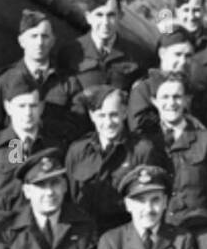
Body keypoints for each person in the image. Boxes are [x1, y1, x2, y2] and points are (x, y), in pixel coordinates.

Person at [0, 74, 71, 235]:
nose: (28, 113)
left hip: (43, 231)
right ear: (8, 107)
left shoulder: (54, 147)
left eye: (33, 106)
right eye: (21, 106)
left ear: (41, 107)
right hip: (4, 232)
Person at [64, 85, 166, 234]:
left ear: (124, 113)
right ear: (92, 116)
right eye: (101, 115)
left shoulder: (141, 149)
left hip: (125, 235)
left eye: (113, 115)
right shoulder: (78, 151)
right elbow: (70, 197)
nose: (108, 122)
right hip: (85, 234)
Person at [0, 9, 85, 143]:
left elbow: (79, 126)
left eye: (45, 36)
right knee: (16, 159)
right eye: (34, 36)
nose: (40, 42)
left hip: (52, 154)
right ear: (21, 41)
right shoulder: (3, 81)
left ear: (53, 41)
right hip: (15, 148)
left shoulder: (68, 82)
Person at [147, 72, 207, 233]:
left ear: (187, 99)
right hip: (160, 231)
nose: (171, 103)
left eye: (177, 97)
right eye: (165, 97)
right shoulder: (146, 143)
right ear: (154, 101)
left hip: (200, 229)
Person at [58, 0, 145, 94]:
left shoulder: (136, 54)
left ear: (120, 16)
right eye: (99, 15)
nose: (105, 22)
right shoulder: (70, 52)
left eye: (111, 15)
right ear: (88, 17)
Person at [127, 28, 199, 137]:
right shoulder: (144, 89)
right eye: (178, 54)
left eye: (188, 56)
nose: (183, 61)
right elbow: (139, 129)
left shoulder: (194, 89)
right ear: (162, 53)